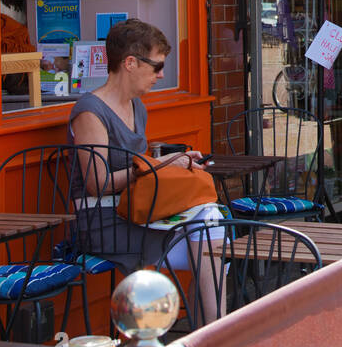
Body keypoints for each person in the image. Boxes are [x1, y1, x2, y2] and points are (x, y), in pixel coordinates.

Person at [68, 19, 227, 321]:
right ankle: (213, 332)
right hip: (104, 223)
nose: (161, 75)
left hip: (136, 213)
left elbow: (137, 166)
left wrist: (168, 164)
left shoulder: (136, 106)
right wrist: (161, 166)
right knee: (211, 237)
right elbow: (97, 183)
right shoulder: (90, 112)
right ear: (130, 63)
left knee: (211, 226)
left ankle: (211, 331)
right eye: (156, 67)